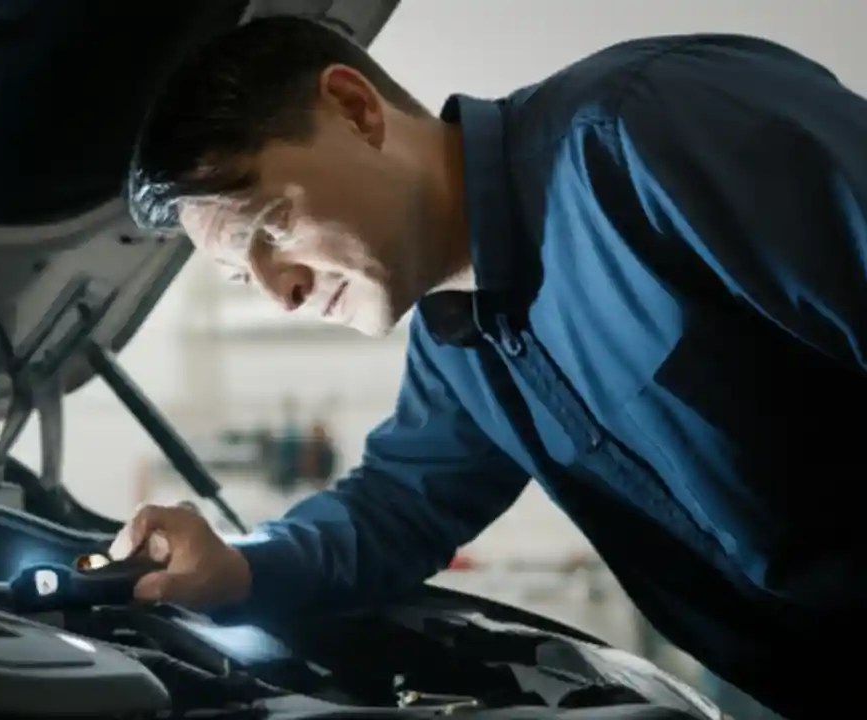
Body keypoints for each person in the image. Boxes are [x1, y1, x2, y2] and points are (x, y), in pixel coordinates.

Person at [110, 16, 867, 718]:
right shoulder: (458, 347)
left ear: (356, 110)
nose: (283, 291)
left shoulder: (649, 132)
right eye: (245, 277)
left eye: (272, 226)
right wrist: (237, 567)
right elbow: (394, 510)